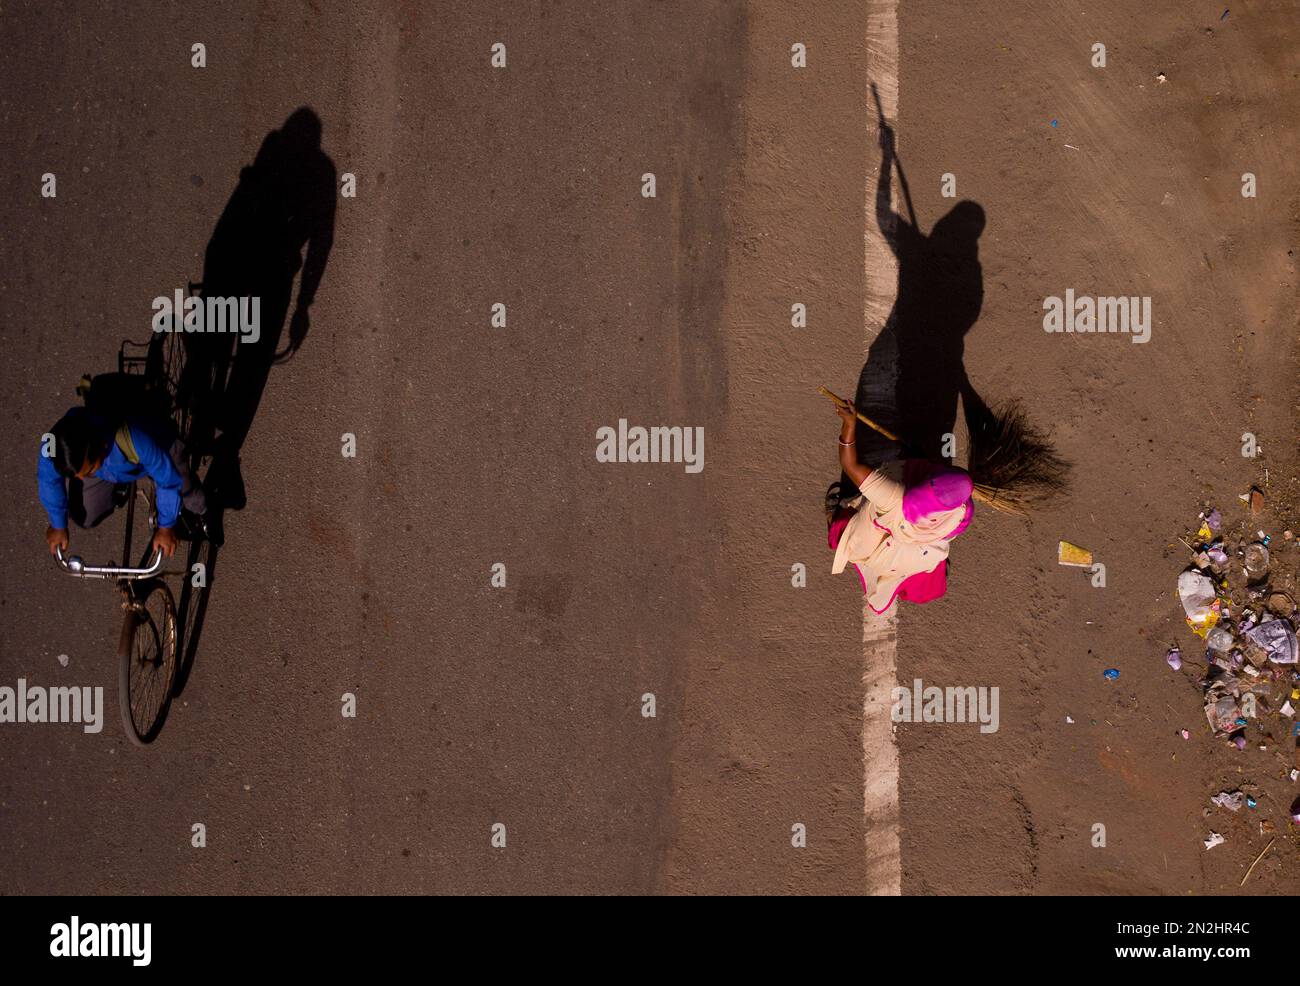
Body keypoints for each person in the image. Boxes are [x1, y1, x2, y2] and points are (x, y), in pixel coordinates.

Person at [827, 398, 973, 613]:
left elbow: (850, 464)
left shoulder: (894, 499)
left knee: (841, 533)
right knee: (926, 573)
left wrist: (849, 424)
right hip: (920, 556)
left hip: (879, 548)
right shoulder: (962, 513)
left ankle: (833, 514)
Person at [38, 407, 206, 560]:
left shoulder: (136, 440)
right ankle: (119, 486)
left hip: (160, 450)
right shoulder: (56, 446)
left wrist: (166, 527)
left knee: (191, 497)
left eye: (88, 471)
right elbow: (48, 480)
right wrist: (58, 524)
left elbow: (167, 480)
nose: (81, 479)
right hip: (111, 468)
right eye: (77, 476)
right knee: (84, 517)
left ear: (102, 448)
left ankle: (206, 511)